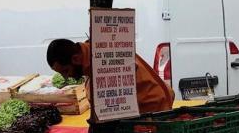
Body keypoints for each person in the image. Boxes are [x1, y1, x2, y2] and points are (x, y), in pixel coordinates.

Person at [46, 38, 174, 115]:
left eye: (66, 71)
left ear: (76, 59)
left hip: (153, 110)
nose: (66, 77)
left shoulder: (100, 60)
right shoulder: (92, 52)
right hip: (153, 104)